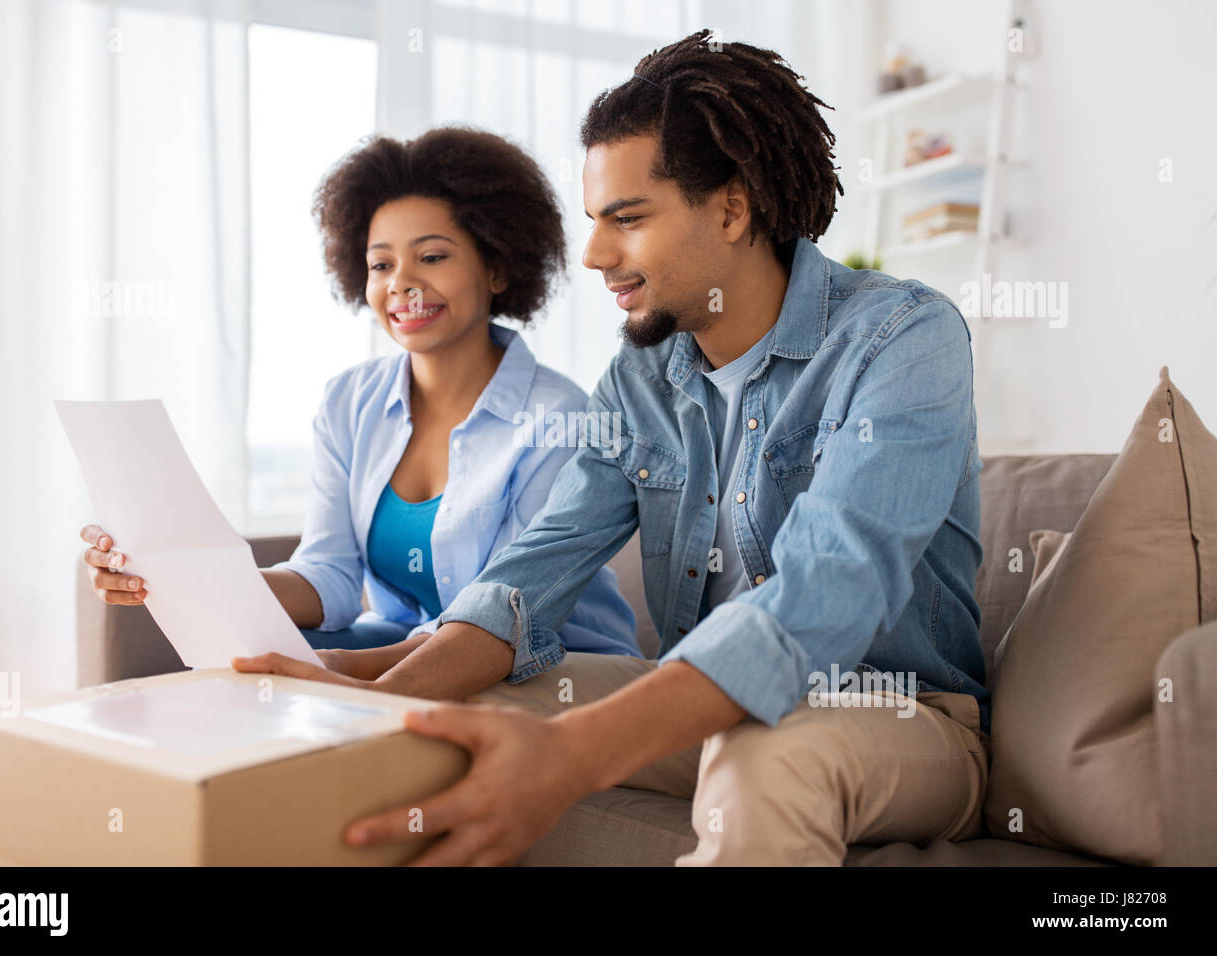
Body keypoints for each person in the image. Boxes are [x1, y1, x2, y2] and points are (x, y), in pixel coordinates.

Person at [248, 29, 992, 867]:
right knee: (462, 716)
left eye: (628, 219)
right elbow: (528, 578)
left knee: (767, 753)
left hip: (900, 715)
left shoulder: (902, 336)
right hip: (700, 702)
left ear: (733, 207)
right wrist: (371, 698)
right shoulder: (639, 383)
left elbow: (832, 583)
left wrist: (573, 753)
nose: (597, 255)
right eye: (595, 221)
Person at [80, 126, 639, 682]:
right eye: (381, 264)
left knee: (300, 676)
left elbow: (506, 618)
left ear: (496, 266)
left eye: (433, 256)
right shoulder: (350, 401)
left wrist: (347, 669)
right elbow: (330, 575)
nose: (403, 284)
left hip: (546, 663)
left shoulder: (557, 418)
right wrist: (179, 576)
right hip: (408, 643)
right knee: (248, 663)